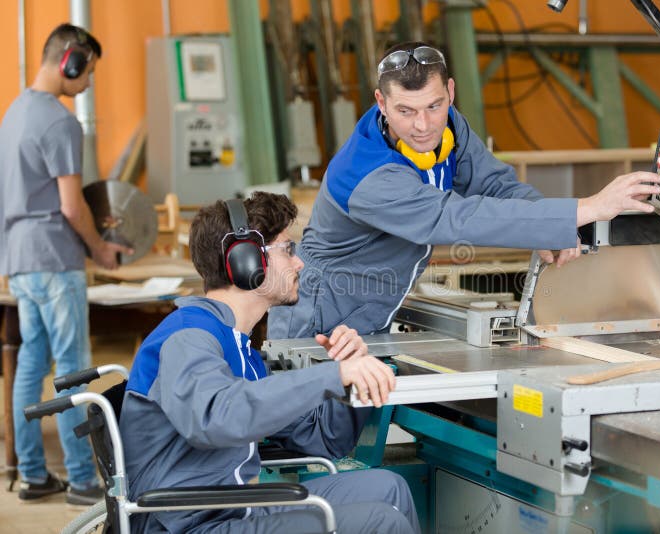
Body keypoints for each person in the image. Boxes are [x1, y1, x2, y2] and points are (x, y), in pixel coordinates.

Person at [268, 42, 660, 339]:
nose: (423, 125)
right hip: (325, 311)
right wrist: (586, 208)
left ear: (450, 93)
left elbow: (495, 184)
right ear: (381, 104)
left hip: (376, 306)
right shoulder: (367, 174)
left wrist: (548, 229)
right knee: (320, 437)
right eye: (405, 111)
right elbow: (454, 217)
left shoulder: (449, 127)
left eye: (434, 106)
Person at [119, 192, 420, 534]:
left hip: (234, 506)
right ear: (247, 261)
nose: (300, 263)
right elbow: (216, 417)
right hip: (190, 522)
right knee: (380, 522)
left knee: (388, 489)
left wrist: (351, 367)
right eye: (289, 250)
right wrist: (330, 375)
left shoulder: (240, 348)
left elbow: (323, 440)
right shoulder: (189, 336)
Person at [0, 23, 131, 504]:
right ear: (69, 62)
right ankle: (81, 480)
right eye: (88, 72)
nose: (89, 82)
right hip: (55, 260)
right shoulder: (59, 122)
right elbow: (71, 207)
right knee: (75, 369)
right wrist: (100, 249)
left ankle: (33, 475)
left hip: (20, 260)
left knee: (30, 364)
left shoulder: (12, 113)